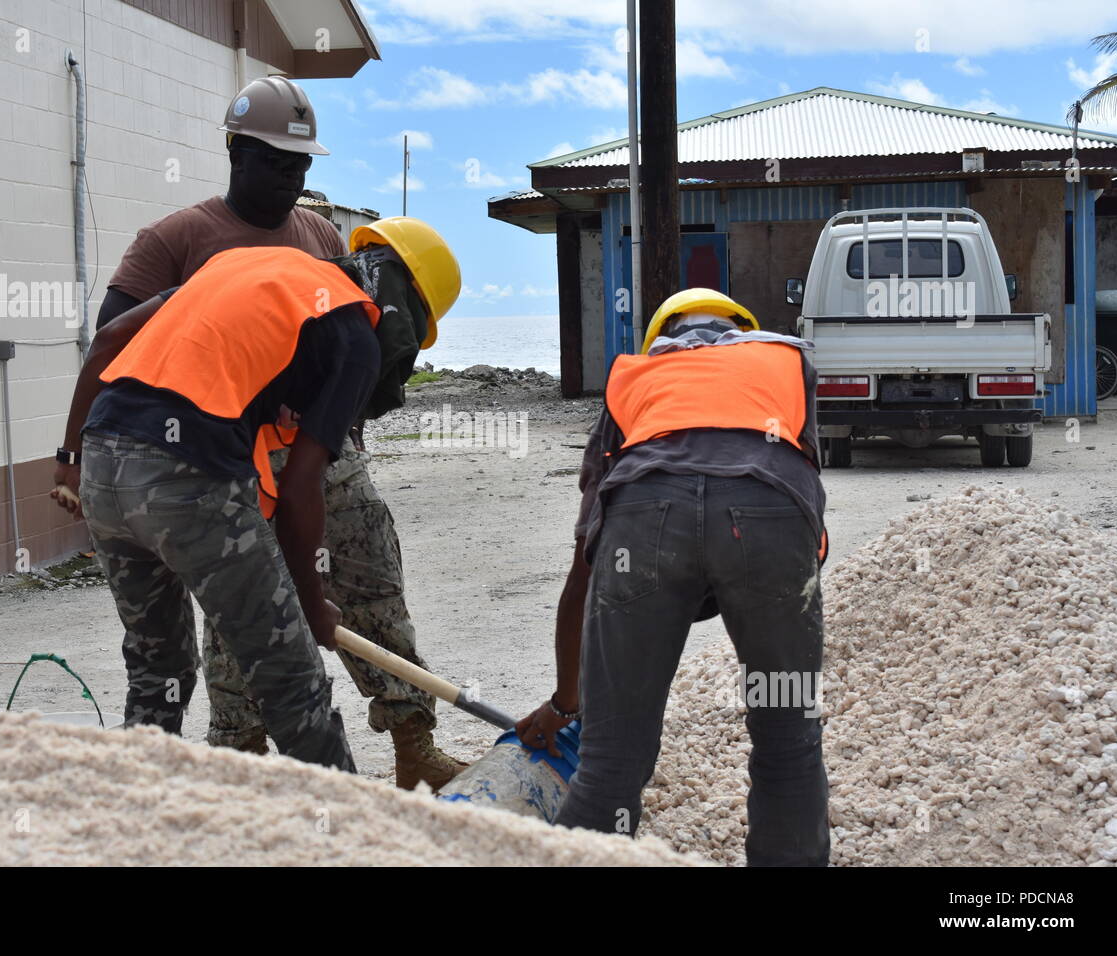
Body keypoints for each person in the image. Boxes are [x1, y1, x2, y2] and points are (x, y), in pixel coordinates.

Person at [95, 76, 466, 789]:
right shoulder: (180, 238)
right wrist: (71, 451)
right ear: (234, 152)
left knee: (372, 578)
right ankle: (240, 765)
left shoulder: (319, 234)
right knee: (248, 626)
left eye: (301, 165)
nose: (291, 177)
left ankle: (413, 740)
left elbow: (340, 350)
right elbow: (116, 344)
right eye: (275, 161)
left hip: (318, 455)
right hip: (223, 459)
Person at [516, 289, 831, 866]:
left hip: (643, 520)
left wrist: (566, 705)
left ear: (662, 338)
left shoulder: (633, 377)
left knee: (611, 756)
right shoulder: (787, 362)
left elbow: (587, 562)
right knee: (789, 742)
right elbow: (804, 485)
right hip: (770, 519)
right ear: (744, 330)